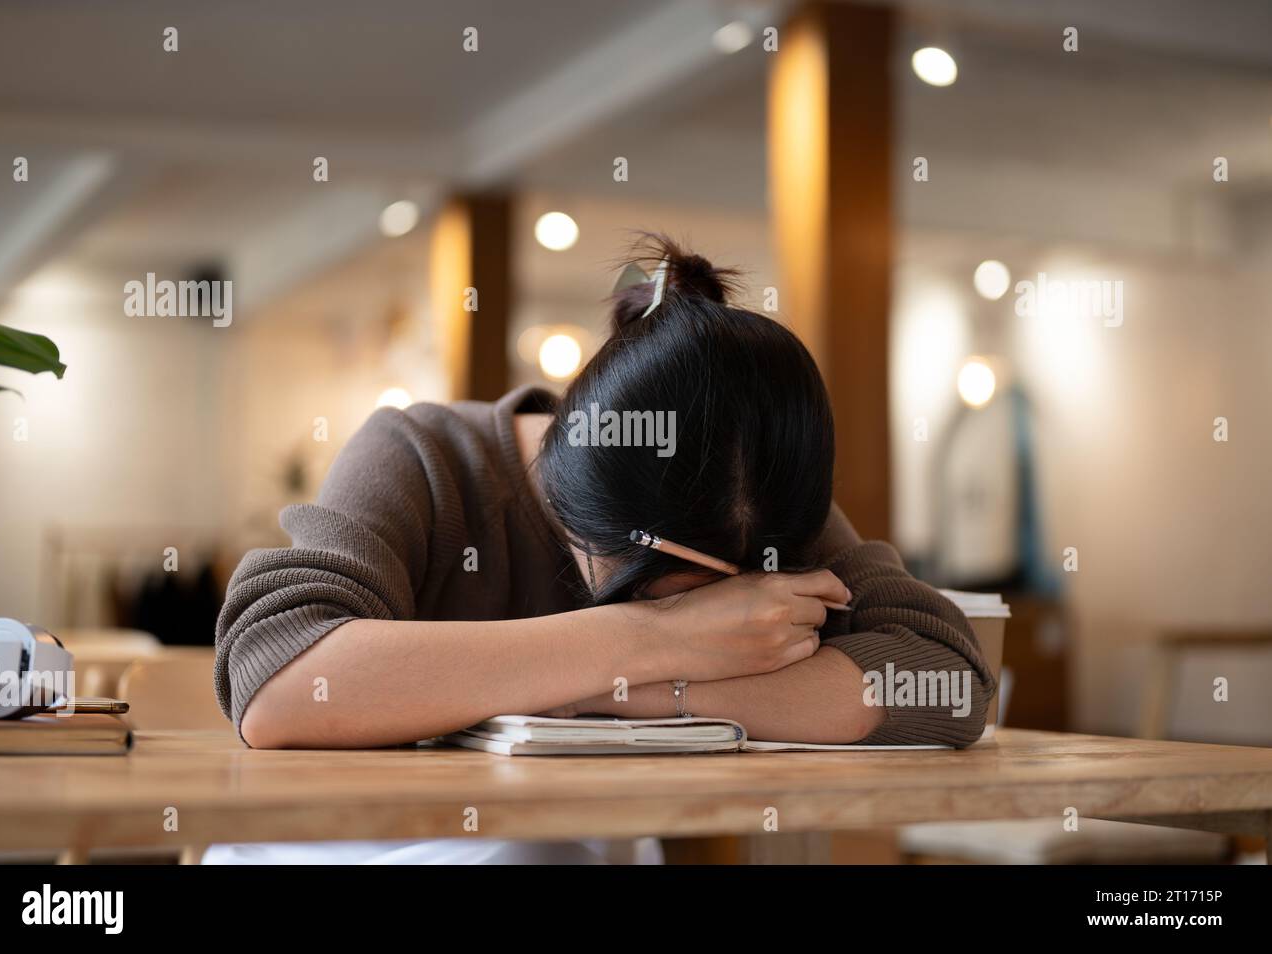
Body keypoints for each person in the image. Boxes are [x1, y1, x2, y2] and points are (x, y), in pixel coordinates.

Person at [208, 236, 994, 864]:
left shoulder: (746, 494)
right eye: (655, 584)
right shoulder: (421, 457)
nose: (683, 602)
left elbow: (947, 685)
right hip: (338, 846)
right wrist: (652, 641)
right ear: (565, 482)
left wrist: (628, 695)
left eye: (715, 590)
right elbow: (279, 681)